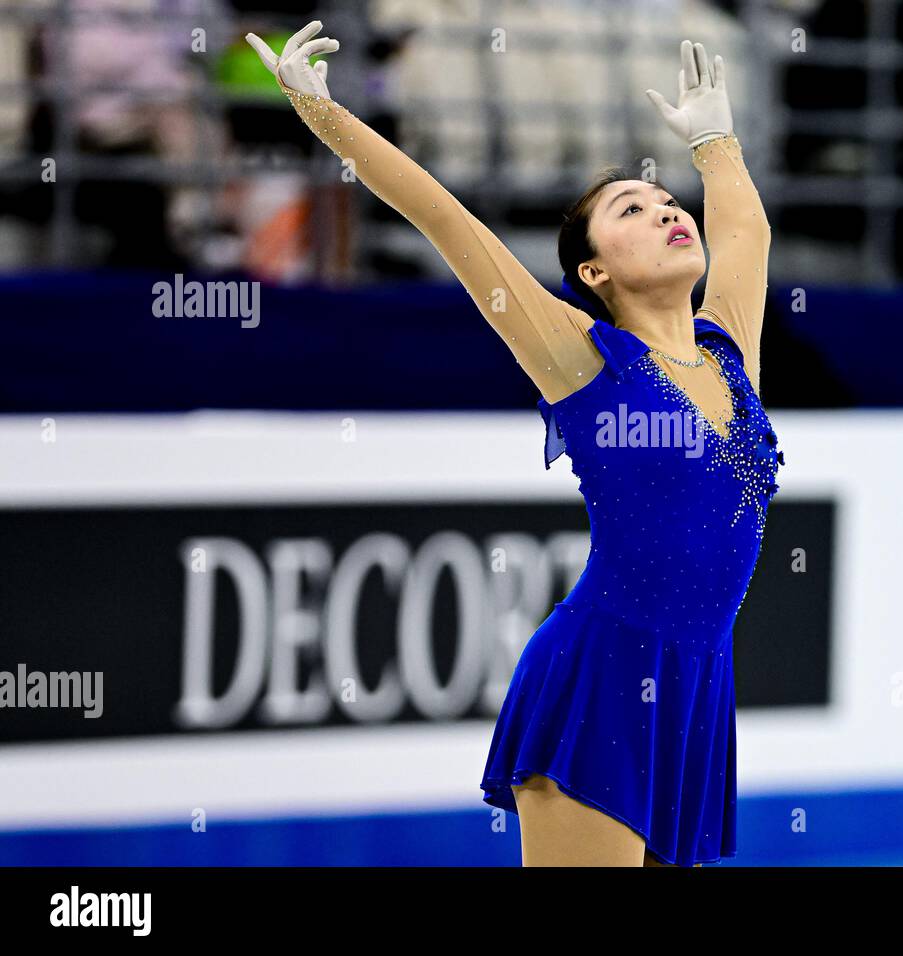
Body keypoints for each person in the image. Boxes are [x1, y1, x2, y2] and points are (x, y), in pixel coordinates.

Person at [246, 22, 783, 867]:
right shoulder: (582, 358)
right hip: (602, 673)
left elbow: (746, 237)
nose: (667, 210)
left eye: (666, 202)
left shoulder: (728, 351)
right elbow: (446, 218)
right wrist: (326, 118)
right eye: (630, 212)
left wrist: (716, 142)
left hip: (697, 684)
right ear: (594, 275)